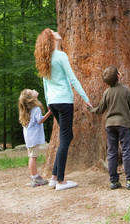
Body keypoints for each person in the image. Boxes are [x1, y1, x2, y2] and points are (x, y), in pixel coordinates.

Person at [35, 28, 92, 191]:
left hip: (53, 102)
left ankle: (54, 178)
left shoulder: (45, 58)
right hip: (64, 101)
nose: (57, 31)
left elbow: (45, 83)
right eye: (53, 32)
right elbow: (72, 79)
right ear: (52, 38)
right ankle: (60, 181)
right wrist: (86, 98)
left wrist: (48, 102)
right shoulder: (60, 56)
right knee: (66, 138)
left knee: (66, 136)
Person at [89, 65, 130, 190]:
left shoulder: (106, 92)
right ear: (118, 76)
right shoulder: (125, 90)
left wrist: (91, 109)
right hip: (123, 125)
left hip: (110, 125)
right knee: (126, 151)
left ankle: (114, 181)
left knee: (111, 152)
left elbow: (100, 109)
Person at [18, 88, 52, 187]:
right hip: (33, 138)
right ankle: (35, 178)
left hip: (29, 138)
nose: (34, 90)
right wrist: (49, 113)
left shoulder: (27, 109)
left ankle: (34, 177)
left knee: (31, 157)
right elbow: (40, 120)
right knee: (33, 157)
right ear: (31, 98)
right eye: (31, 91)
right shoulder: (36, 109)